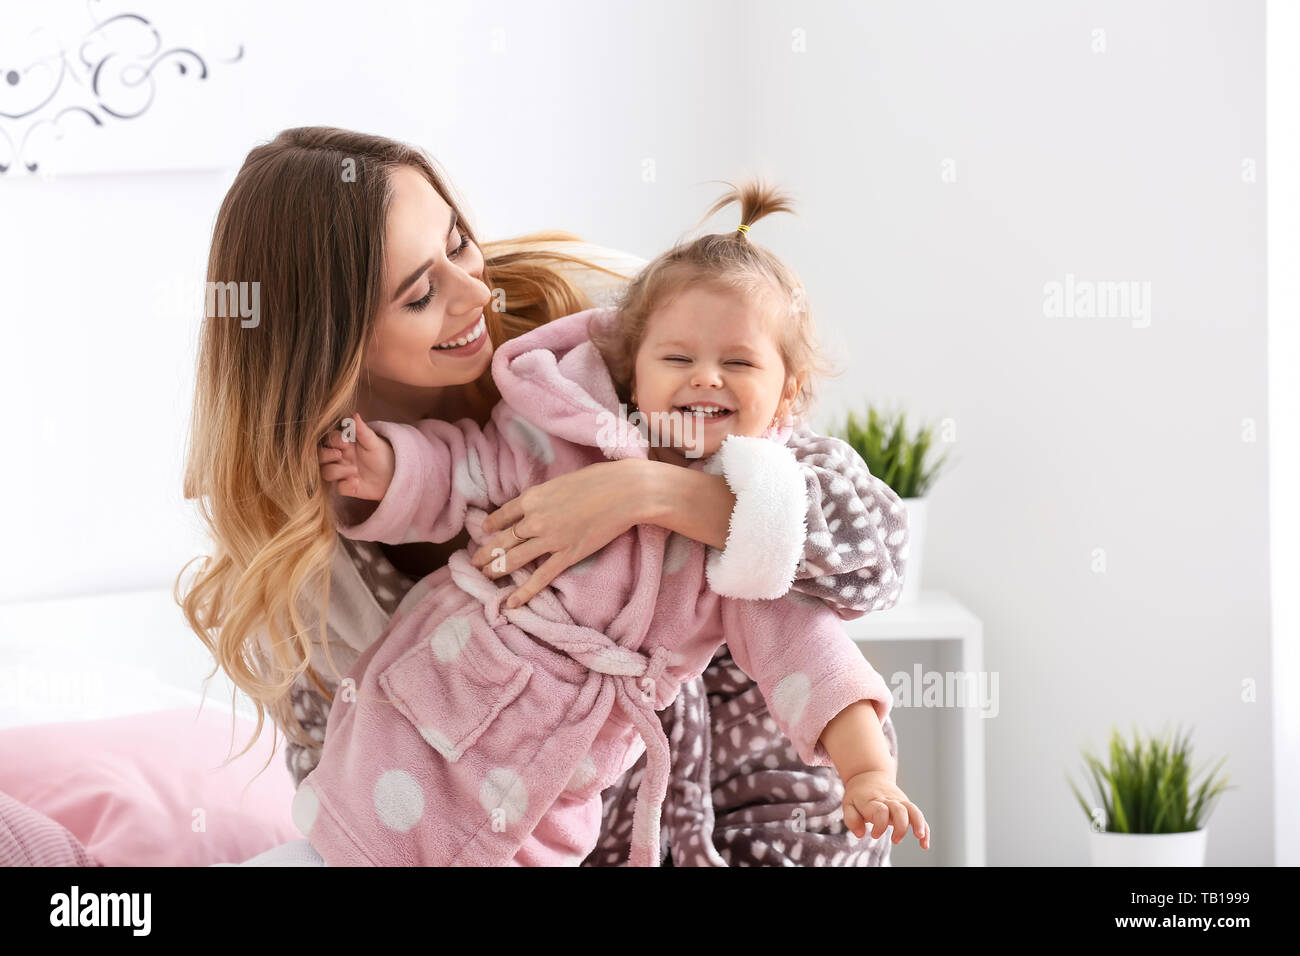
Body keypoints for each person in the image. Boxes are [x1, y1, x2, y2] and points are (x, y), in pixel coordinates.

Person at [177, 128, 911, 866]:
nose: (476, 291)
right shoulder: (304, 548)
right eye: (421, 293)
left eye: (459, 242)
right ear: (329, 337)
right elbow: (352, 773)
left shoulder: (615, 337)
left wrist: (646, 490)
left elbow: (868, 558)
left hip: (752, 795)